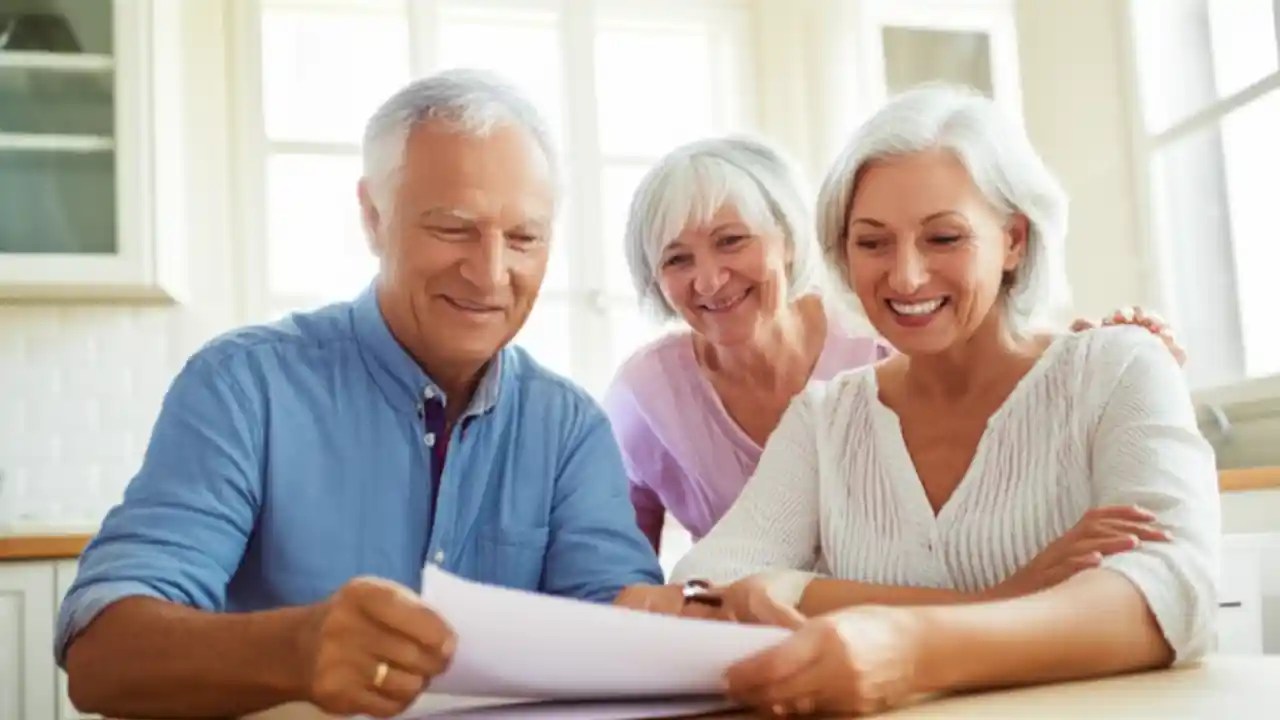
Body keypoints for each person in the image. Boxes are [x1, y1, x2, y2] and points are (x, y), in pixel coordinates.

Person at [55, 69, 666, 720]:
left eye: (523, 238)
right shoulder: (245, 386)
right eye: (454, 228)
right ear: (374, 217)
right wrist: (297, 648)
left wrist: (721, 621)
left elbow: (620, 632)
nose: (491, 274)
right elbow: (102, 657)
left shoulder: (568, 428)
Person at [669, 85, 1220, 716]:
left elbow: (1172, 594)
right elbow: (705, 588)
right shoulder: (825, 417)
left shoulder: (1119, 366)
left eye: (944, 238)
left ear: (1013, 239)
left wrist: (888, 637)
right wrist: (1007, 600)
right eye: (872, 242)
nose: (904, 277)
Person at [604, 136, 1185, 553]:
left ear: (787, 239)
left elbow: (1001, 372)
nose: (708, 280)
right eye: (677, 259)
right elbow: (627, 576)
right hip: (754, 649)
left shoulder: (882, 332)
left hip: (910, 637)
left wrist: (1108, 364)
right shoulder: (644, 394)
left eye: (731, 242)